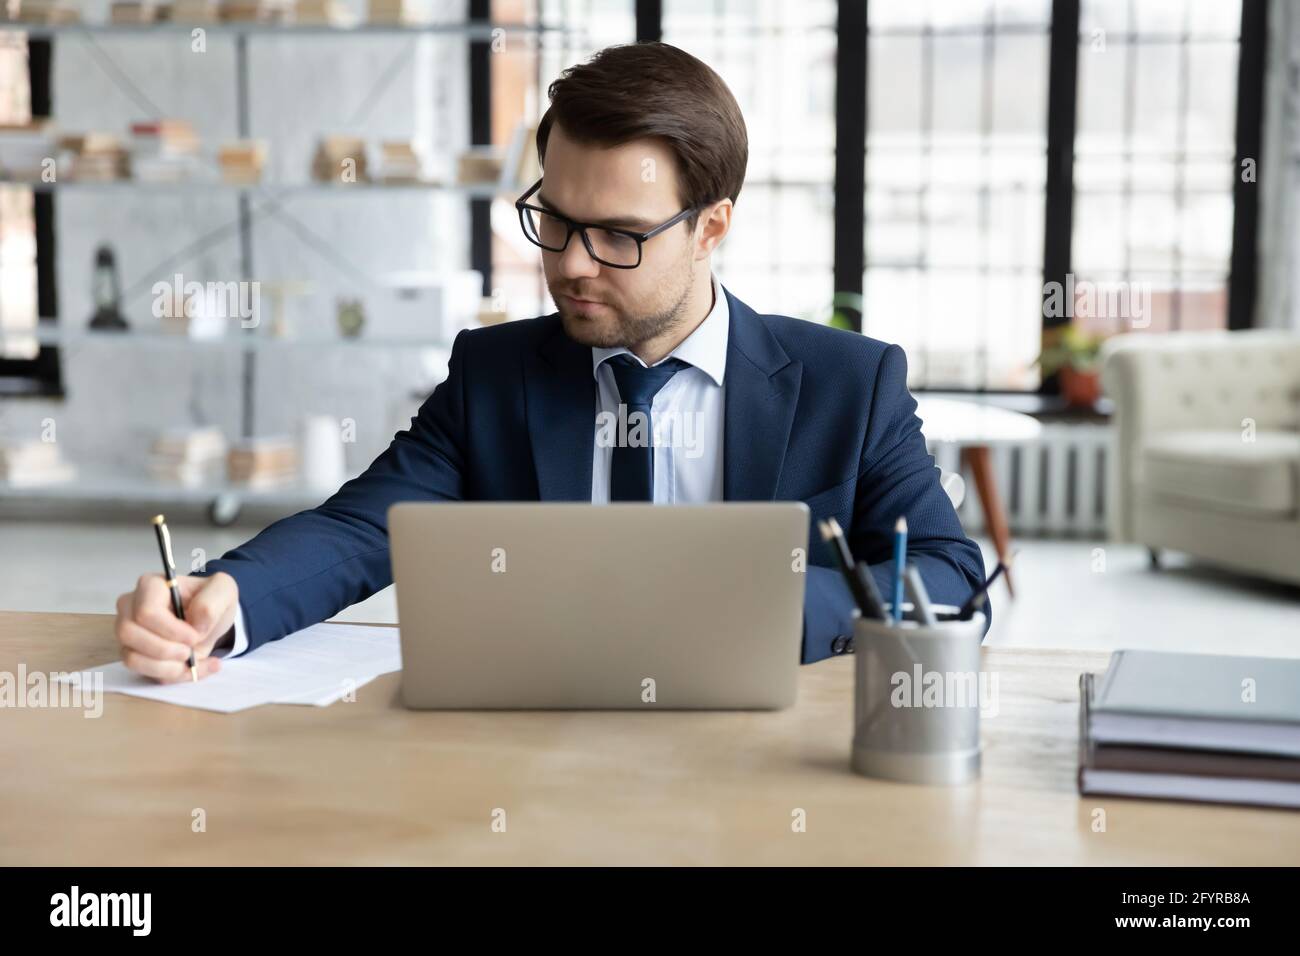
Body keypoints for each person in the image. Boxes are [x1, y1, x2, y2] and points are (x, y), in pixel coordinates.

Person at [114, 42, 986, 683]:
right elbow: (362, 529)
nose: (570, 262)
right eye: (557, 219)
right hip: (533, 762)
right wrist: (226, 592)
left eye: (618, 235)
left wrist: (755, 612)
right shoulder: (497, 375)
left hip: (773, 757)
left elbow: (950, 577)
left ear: (712, 227)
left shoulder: (850, 383)